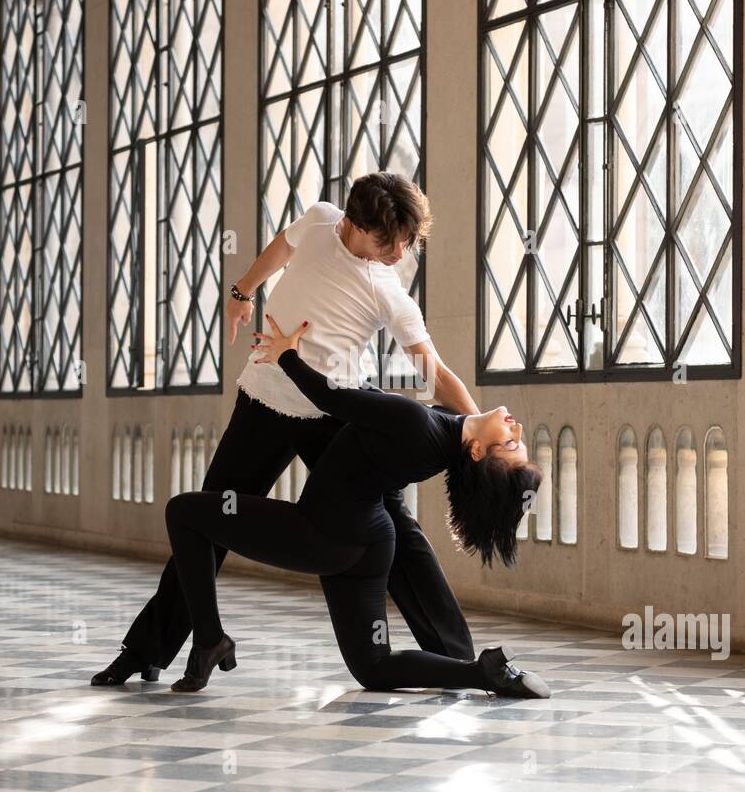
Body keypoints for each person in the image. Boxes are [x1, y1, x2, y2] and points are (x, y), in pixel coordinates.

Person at [93, 174, 482, 686]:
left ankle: (457, 658)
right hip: (264, 404)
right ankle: (145, 650)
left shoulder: (388, 290)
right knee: (209, 522)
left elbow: (433, 371)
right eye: (389, 242)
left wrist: (478, 428)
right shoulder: (321, 220)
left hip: (336, 421)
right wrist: (241, 291)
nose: (399, 252)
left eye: (407, 241)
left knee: (397, 533)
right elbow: (282, 246)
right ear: (352, 224)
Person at [165, 315, 550, 699]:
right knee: (373, 666)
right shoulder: (442, 436)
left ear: (479, 451)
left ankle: (208, 639)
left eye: (511, 443)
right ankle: (484, 674)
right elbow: (444, 395)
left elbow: (333, 398)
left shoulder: (419, 424)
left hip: (321, 533)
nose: (516, 429)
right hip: (367, 543)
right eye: (518, 439)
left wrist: (287, 356)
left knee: (184, 512)